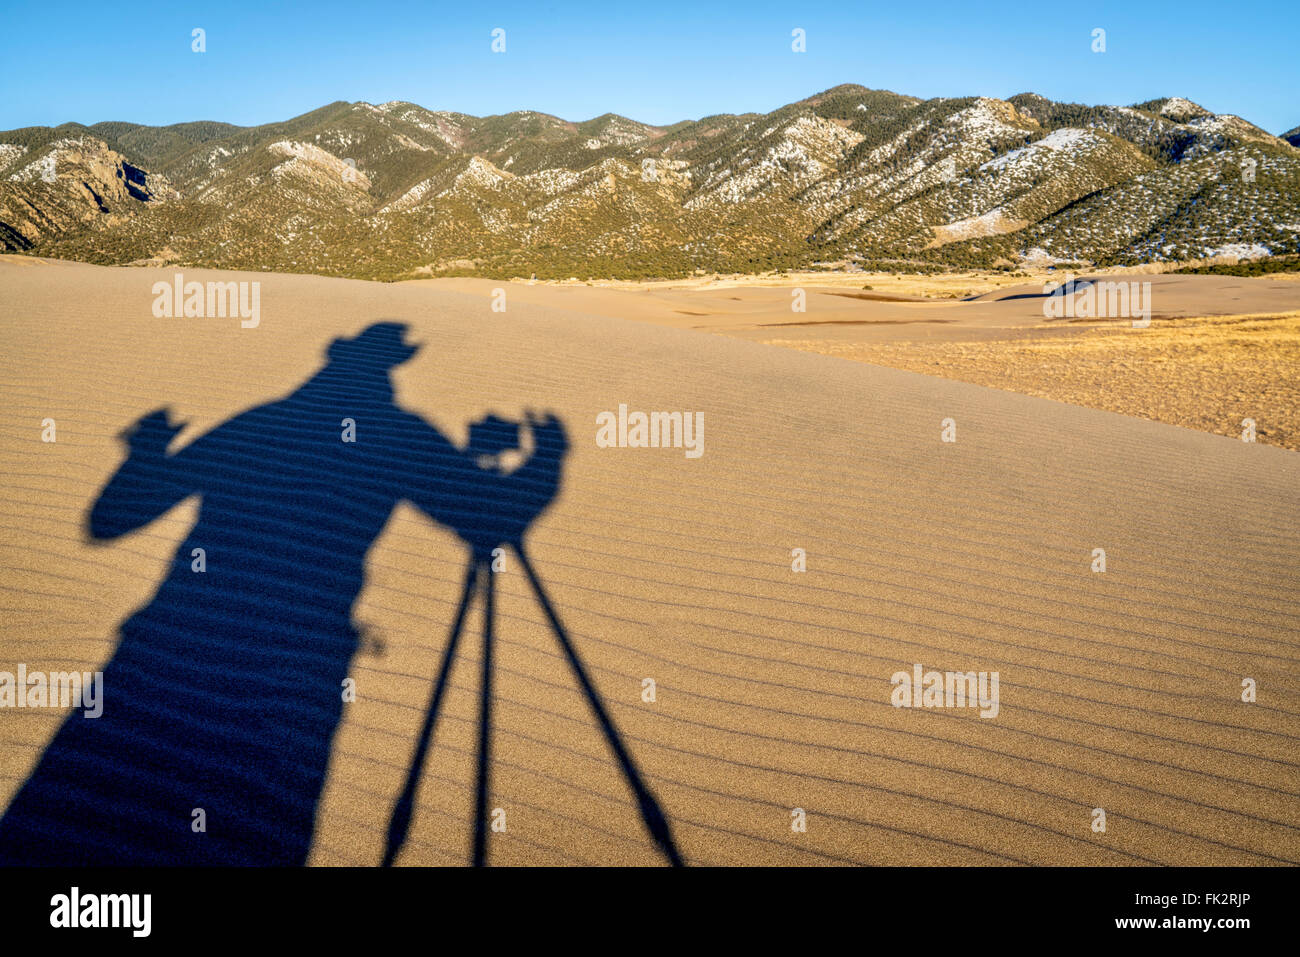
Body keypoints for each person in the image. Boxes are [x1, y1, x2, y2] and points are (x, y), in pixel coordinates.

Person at [0, 322, 568, 865]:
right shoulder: (403, 433)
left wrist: (146, 451)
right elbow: (493, 523)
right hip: (299, 660)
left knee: (78, 808)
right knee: (255, 823)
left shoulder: (255, 422)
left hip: (165, 644)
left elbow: (109, 522)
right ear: (391, 369)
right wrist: (547, 457)